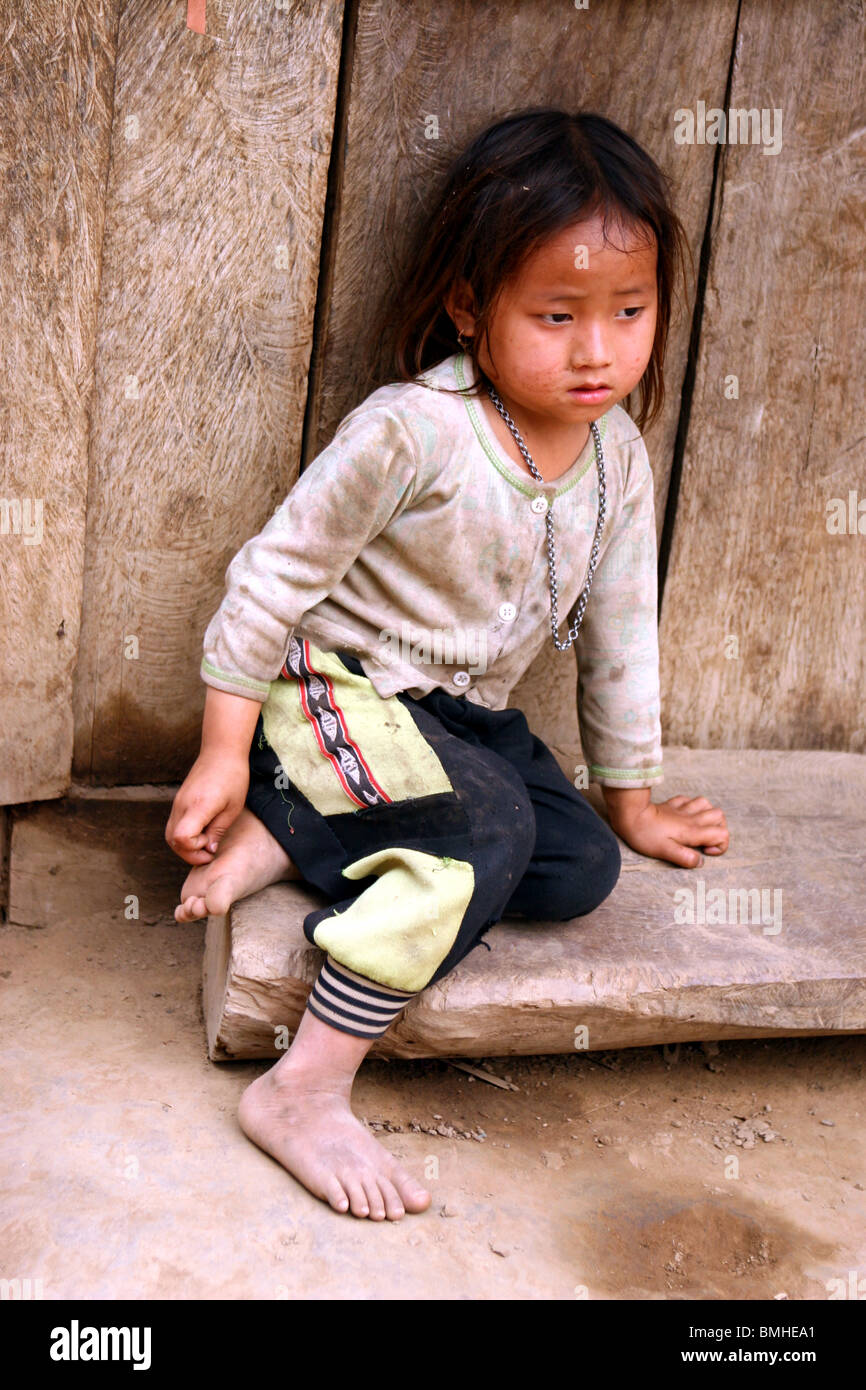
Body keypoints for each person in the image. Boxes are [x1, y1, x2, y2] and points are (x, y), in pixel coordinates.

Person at [165, 107, 730, 1222]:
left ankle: (293, 835)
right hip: (330, 692)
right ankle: (306, 1085)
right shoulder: (412, 431)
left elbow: (621, 633)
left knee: (573, 866)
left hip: (453, 720)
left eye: (629, 311)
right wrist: (222, 751)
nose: (596, 350)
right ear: (470, 305)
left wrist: (632, 802)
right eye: (555, 314)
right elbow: (269, 578)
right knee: (479, 834)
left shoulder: (617, 455)